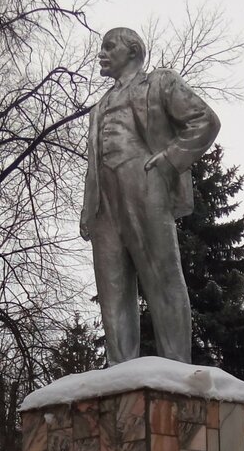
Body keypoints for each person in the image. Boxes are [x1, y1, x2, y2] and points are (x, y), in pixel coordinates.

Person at [80, 27, 221, 365]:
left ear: (132, 50)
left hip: (145, 181)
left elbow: (205, 120)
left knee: (162, 273)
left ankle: (175, 366)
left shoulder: (160, 82)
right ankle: (119, 366)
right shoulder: (98, 108)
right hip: (106, 201)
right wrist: (88, 210)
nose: (102, 53)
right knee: (112, 287)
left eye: (109, 46)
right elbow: (92, 165)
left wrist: (171, 159)